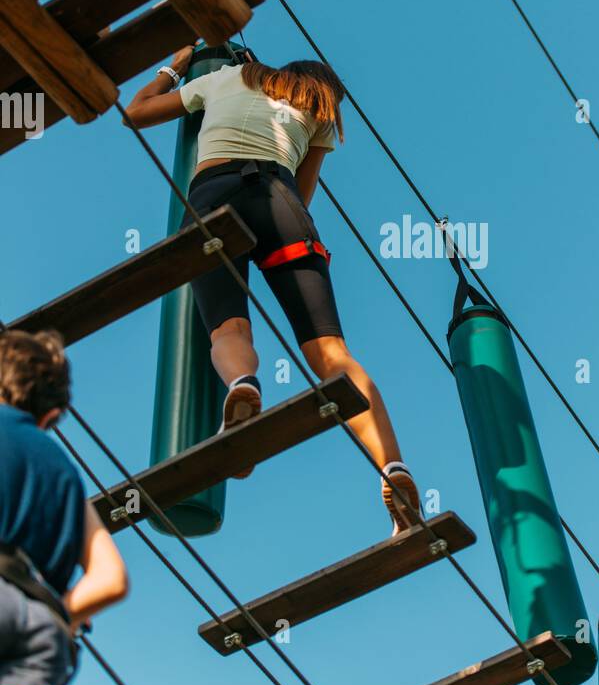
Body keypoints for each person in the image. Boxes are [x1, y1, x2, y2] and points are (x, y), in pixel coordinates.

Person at [126, 46, 424, 534]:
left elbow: (135, 114)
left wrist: (174, 67)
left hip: (214, 196)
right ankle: (392, 467)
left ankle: (243, 385)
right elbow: (302, 194)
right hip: (282, 203)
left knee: (228, 328)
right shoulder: (317, 109)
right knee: (331, 352)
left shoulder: (227, 77)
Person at [0, 329, 129, 685]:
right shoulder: (66, 475)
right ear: (51, 413)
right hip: (42, 635)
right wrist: (57, 613)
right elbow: (110, 578)